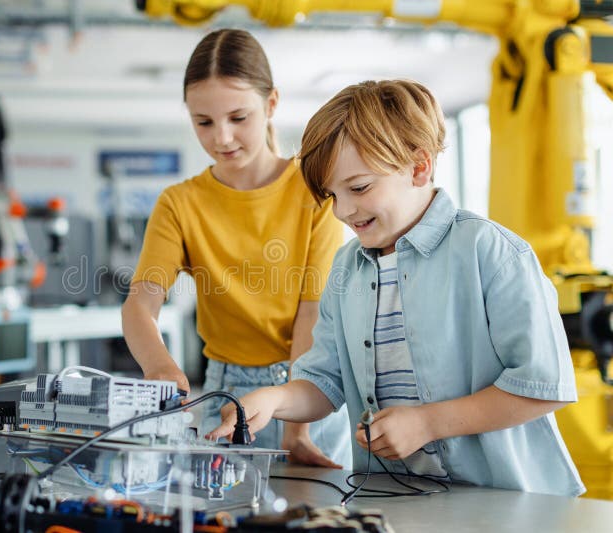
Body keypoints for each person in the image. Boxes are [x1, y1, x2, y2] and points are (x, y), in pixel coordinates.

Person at [208, 79, 585, 496]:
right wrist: (275, 400)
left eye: (359, 188)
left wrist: (428, 422)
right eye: (332, 194)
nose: (343, 211)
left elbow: (543, 386)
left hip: (508, 503)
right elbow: (324, 382)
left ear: (419, 167)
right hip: (399, 497)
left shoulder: (491, 252)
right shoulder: (346, 268)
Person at [121, 28, 351, 468]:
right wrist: (160, 368)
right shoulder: (180, 203)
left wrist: (296, 427)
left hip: (309, 389)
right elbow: (140, 304)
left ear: (271, 105)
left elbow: (312, 311)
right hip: (224, 390)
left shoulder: (314, 187)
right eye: (203, 122)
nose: (221, 138)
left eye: (238, 118)